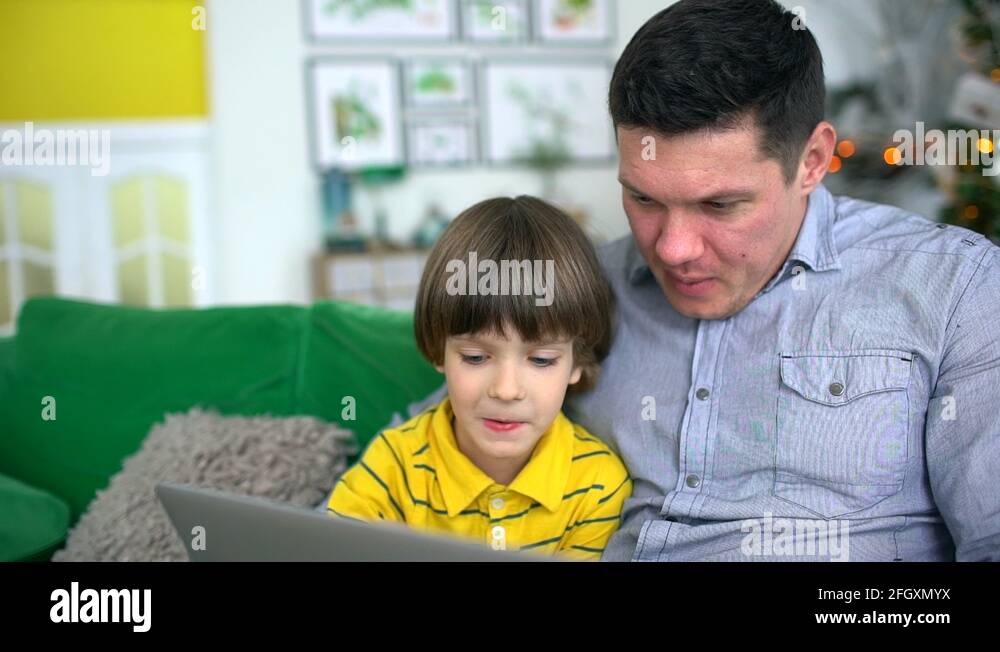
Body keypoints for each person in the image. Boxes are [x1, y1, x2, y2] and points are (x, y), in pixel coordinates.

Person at [559, 0, 1000, 561]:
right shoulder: (584, 285)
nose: (672, 249)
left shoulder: (954, 285)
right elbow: (433, 441)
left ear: (813, 160)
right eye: (642, 197)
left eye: (720, 204)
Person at [328, 196, 632, 561]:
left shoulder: (597, 486)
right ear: (439, 351)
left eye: (540, 359)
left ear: (577, 362)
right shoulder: (393, 464)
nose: (505, 390)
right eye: (475, 357)